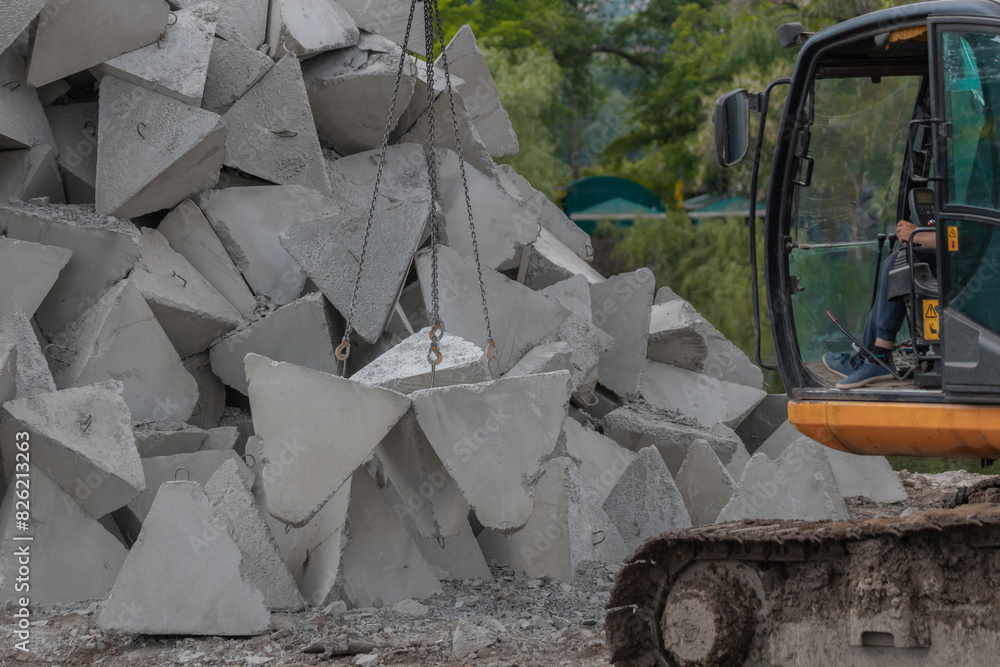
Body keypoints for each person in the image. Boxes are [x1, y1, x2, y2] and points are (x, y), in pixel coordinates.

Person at [823, 219, 937, 389]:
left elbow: (963, 239)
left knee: (897, 262)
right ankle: (867, 356)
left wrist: (918, 234)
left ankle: (879, 356)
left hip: (964, 267)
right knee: (897, 262)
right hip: (961, 263)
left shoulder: (980, 197)